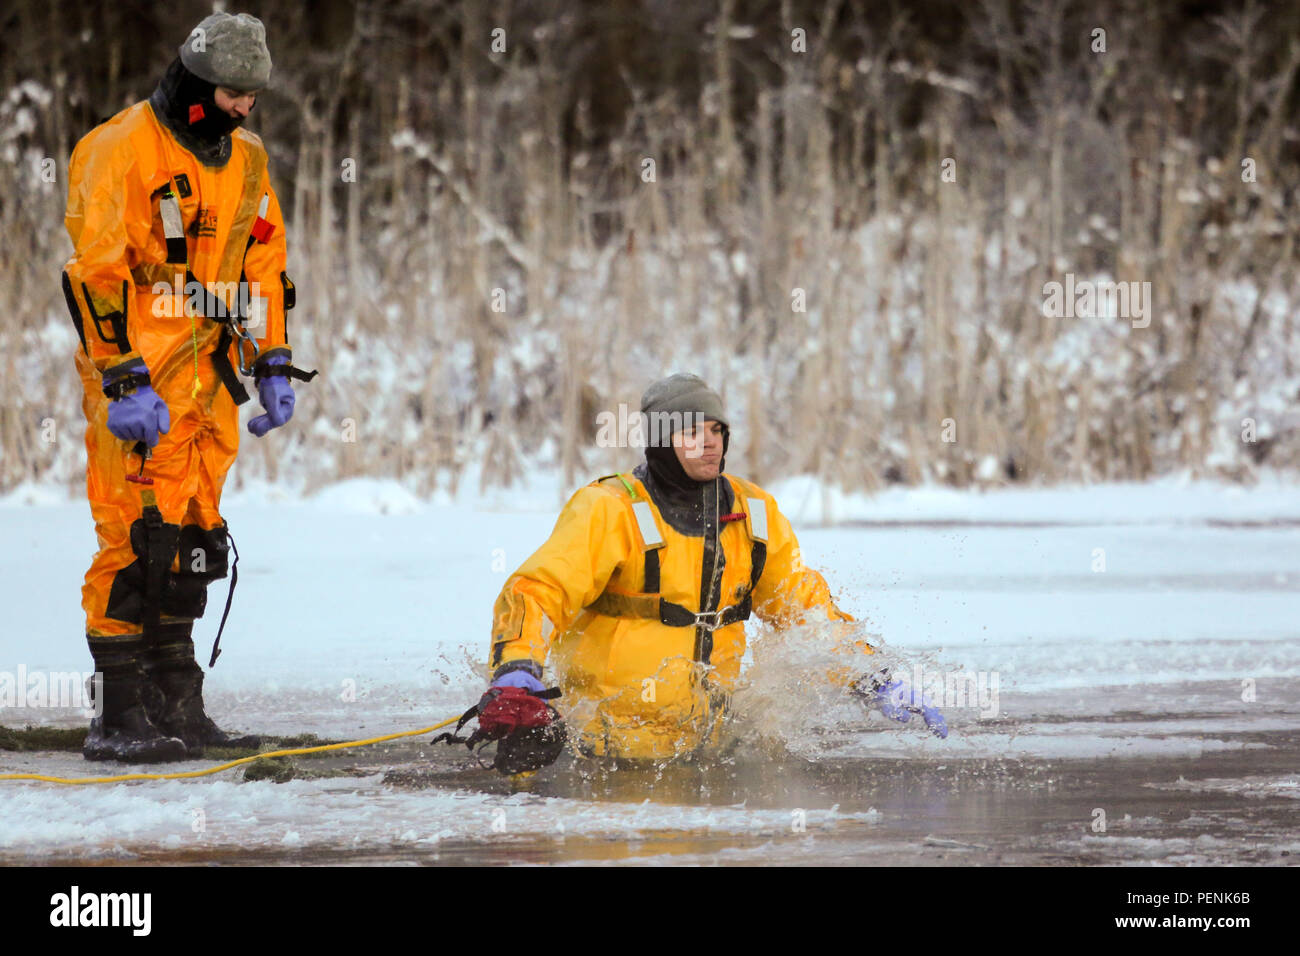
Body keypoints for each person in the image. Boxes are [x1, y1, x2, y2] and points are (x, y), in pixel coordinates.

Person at [62, 13, 312, 762]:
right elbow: (95, 275)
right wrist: (121, 378)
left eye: (254, 98)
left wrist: (271, 359)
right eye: (235, 93)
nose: (245, 108)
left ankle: (178, 703)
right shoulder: (118, 150)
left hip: (208, 385)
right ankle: (117, 715)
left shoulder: (248, 161)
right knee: (136, 543)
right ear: (198, 83)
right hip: (139, 382)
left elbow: (264, 270)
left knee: (195, 545)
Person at [486, 373, 946, 764]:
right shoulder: (609, 509)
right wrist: (517, 669)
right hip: (602, 749)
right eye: (691, 432)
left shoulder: (755, 514)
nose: (709, 442)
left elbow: (804, 611)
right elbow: (538, 590)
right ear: (660, 440)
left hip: (706, 749)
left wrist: (873, 678)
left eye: (717, 429)